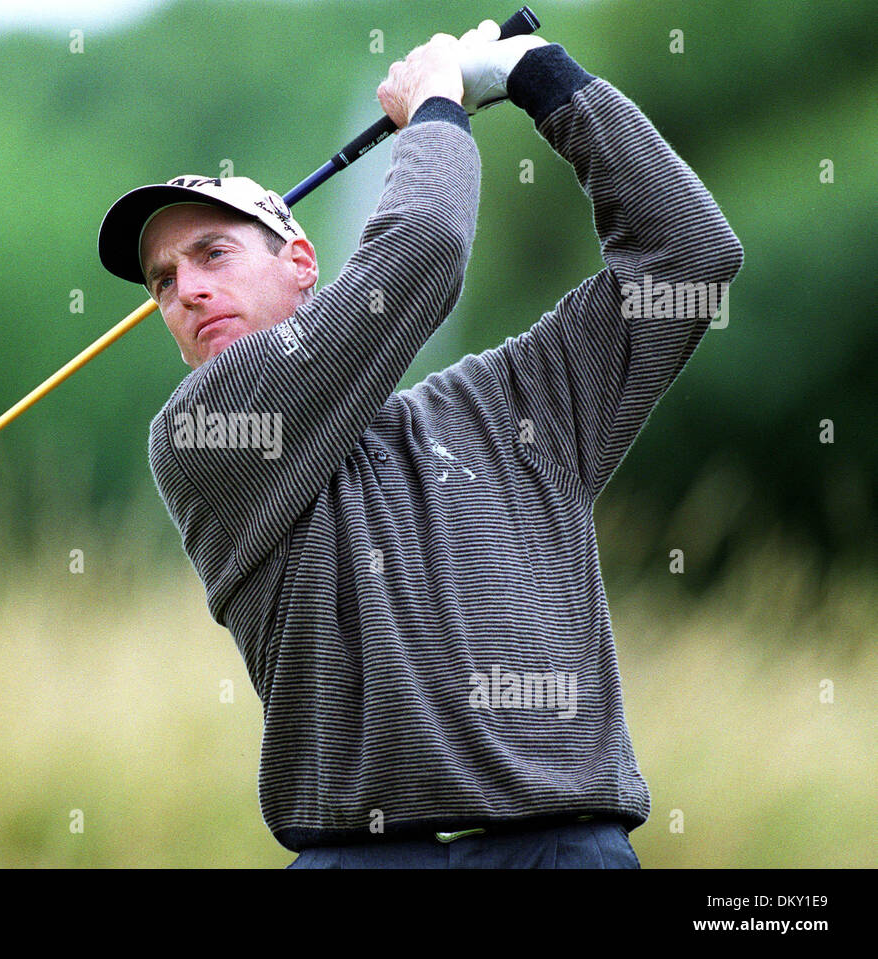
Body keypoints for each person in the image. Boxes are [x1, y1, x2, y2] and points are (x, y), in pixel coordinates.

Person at [96, 21, 742, 868]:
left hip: (566, 848)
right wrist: (438, 106)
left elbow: (688, 259)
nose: (188, 291)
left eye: (213, 252)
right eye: (163, 282)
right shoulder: (205, 433)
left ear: (301, 261)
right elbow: (425, 251)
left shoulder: (515, 402)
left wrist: (541, 77)